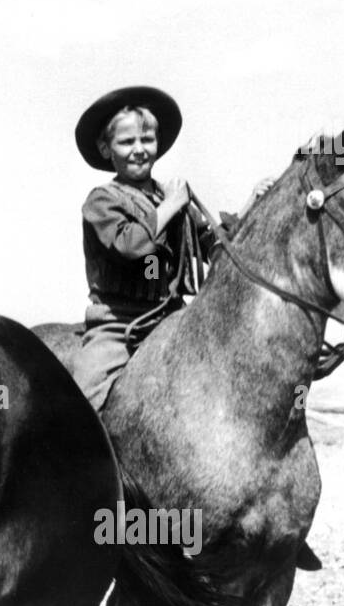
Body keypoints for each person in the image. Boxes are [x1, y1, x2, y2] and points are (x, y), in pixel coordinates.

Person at [71, 86, 268, 411]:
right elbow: (131, 245)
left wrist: (252, 207)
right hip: (120, 326)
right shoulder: (102, 201)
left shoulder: (169, 196)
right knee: (84, 397)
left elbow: (215, 247)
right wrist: (173, 204)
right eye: (126, 142)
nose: (139, 150)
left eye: (147, 140)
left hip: (174, 317)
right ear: (106, 149)